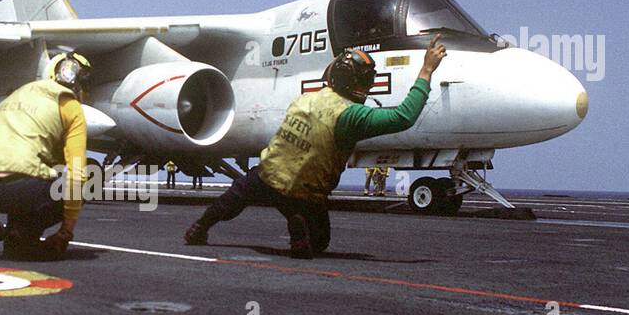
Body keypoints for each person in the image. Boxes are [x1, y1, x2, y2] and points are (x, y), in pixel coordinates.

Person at [185, 36, 447, 257]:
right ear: (361, 83)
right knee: (319, 243)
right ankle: (297, 223)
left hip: (266, 176)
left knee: (232, 199)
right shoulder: (352, 115)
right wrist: (426, 70)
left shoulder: (305, 99)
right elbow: (403, 117)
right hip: (306, 192)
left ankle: (199, 227)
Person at [0, 52, 90, 260]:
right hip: (23, 187)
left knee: (28, 173)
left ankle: (15, 236)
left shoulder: (16, 95)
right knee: (90, 179)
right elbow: (78, 173)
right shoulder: (70, 105)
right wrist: (66, 232)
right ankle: (25, 234)